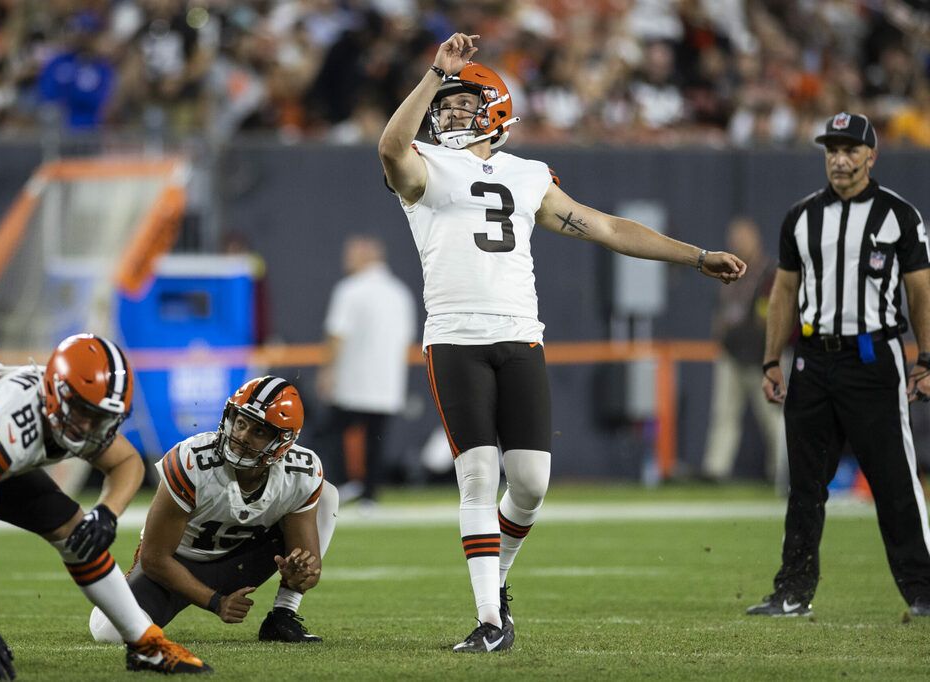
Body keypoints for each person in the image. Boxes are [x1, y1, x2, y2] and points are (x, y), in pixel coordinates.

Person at [377, 32, 746, 653]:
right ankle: (490, 621)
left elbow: (603, 226)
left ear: (495, 112)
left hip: (521, 336)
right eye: (448, 104)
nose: (450, 113)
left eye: (464, 104)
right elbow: (391, 146)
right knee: (477, 474)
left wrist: (694, 257)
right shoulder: (425, 164)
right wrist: (434, 76)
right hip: (456, 336)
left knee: (530, 483)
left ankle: (499, 589)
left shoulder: (526, 176)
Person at [0, 333, 211, 677]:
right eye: (84, 412)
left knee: (74, 530)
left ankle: (146, 644)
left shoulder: (69, 412)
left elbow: (127, 463)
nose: (90, 427)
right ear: (55, 394)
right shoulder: (6, 425)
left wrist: (107, 512)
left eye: (101, 417)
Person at [750, 112, 930, 618]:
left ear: (872, 156)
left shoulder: (899, 215)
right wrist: (771, 360)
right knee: (804, 484)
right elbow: (785, 290)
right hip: (811, 359)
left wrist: (926, 358)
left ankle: (923, 590)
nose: (839, 159)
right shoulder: (802, 217)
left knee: (894, 480)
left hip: (874, 358)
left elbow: (921, 290)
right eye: (832, 150)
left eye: (850, 149)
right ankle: (792, 591)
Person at [89, 375, 337, 645]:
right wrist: (216, 602)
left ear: (283, 441)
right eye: (241, 422)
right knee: (111, 632)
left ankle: (283, 615)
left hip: (245, 556)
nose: (241, 436)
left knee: (326, 495)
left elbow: (309, 571)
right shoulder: (192, 460)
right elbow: (154, 557)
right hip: (178, 562)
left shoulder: (301, 471)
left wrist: (300, 575)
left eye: (259, 431)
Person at [317, 234, 416, 505]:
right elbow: (407, 336)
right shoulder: (400, 293)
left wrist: (328, 371)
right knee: (376, 439)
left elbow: (338, 333)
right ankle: (368, 493)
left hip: (353, 381)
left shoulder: (350, 290)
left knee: (332, 433)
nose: (346, 260)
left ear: (366, 256)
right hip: (387, 382)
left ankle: (342, 484)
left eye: (351, 254)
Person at [700, 217, 786, 485]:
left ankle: (783, 469)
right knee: (724, 413)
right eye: (733, 239)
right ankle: (715, 470)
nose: (736, 244)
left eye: (742, 238)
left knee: (772, 414)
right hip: (732, 352)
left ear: (755, 239)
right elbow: (723, 311)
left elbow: (774, 312)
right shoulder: (729, 270)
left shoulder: (769, 271)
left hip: (761, 354)